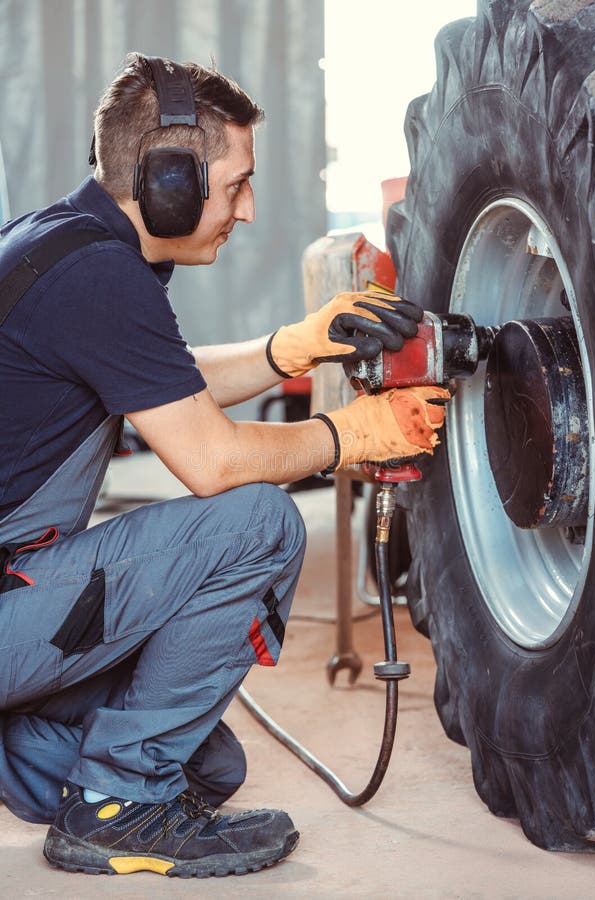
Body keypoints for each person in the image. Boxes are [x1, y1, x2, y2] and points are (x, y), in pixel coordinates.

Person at [0, 52, 448, 879]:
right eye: (235, 184)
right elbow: (210, 460)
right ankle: (115, 809)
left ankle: (43, 750)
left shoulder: (59, 243)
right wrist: (354, 434)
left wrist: (290, 349)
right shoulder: (98, 274)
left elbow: (157, 378)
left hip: (14, 595)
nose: (246, 209)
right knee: (256, 522)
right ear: (167, 178)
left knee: (210, 768)